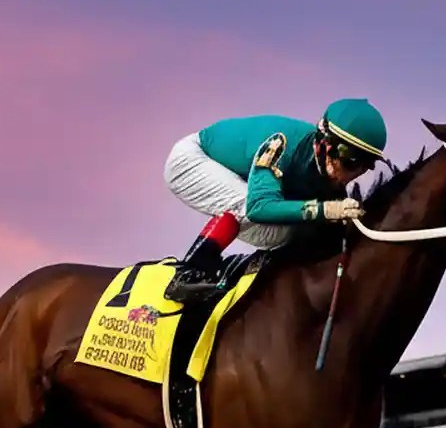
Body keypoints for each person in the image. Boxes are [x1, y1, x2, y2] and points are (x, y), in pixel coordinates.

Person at [161, 98, 388, 303]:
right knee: (248, 205)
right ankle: (189, 272)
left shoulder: (327, 167)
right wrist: (326, 209)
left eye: (366, 165)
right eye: (350, 161)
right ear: (325, 145)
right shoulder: (281, 145)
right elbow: (258, 208)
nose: (354, 173)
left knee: (289, 231)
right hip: (192, 160)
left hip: (238, 175)